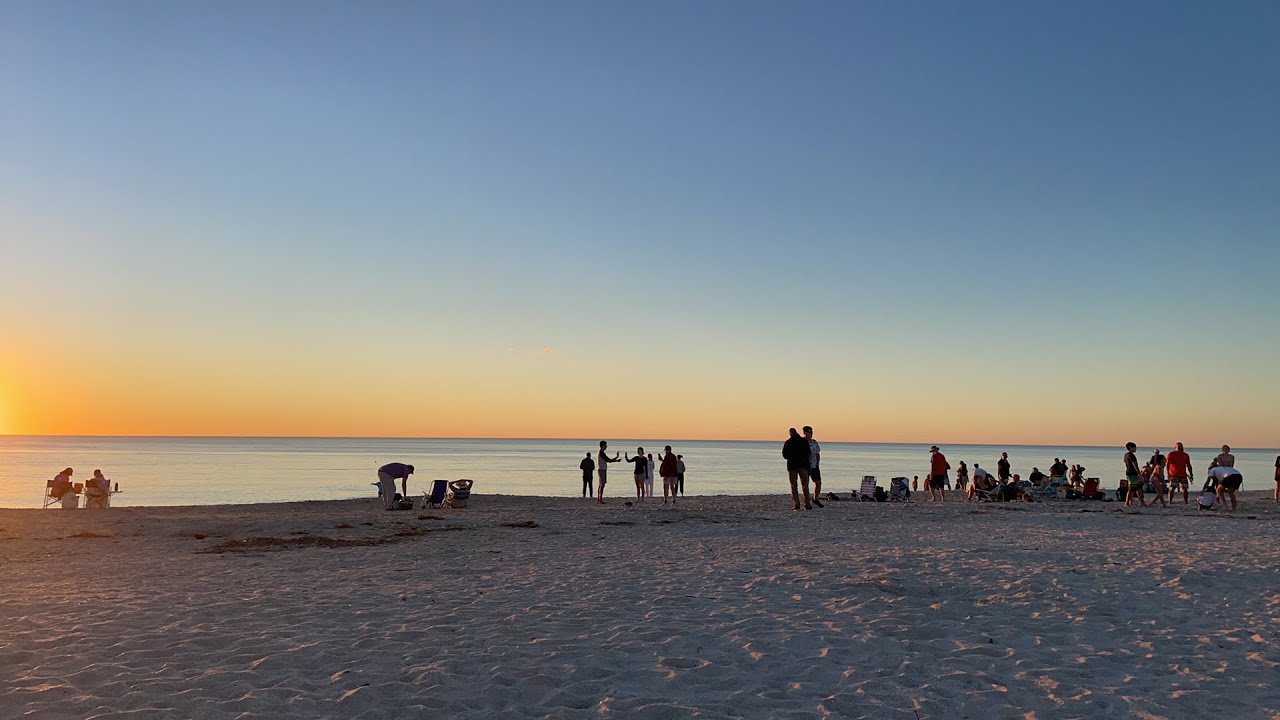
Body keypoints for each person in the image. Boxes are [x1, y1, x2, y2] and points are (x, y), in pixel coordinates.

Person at [782, 427, 812, 511]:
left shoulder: (788, 442)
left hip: (792, 466)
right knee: (805, 485)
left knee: (794, 486)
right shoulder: (804, 441)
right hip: (803, 465)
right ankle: (807, 504)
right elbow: (808, 453)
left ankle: (796, 504)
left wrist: (792, 457)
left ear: (790, 433)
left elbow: (785, 455)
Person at [804, 426, 824, 508]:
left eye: (812, 432)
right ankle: (807, 501)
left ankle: (815, 498)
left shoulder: (814, 442)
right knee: (806, 484)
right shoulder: (802, 442)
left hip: (814, 465)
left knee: (818, 483)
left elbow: (817, 453)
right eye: (809, 432)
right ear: (805, 432)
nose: (811, 434)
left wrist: (818, 463)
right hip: (805, 466)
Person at [1122, 443, 1143, 507]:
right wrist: (1139, 474)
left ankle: (1141, 502)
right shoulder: (1131, 455)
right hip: (1132, 473)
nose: (1135, 448)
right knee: (1132, 488)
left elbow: (1125, 461)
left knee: (1138, 488)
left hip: (1129, 472)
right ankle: (1127, 502)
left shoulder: (1126, 455)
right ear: (1130, 447)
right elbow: (1135, 465)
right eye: (1134, 447)